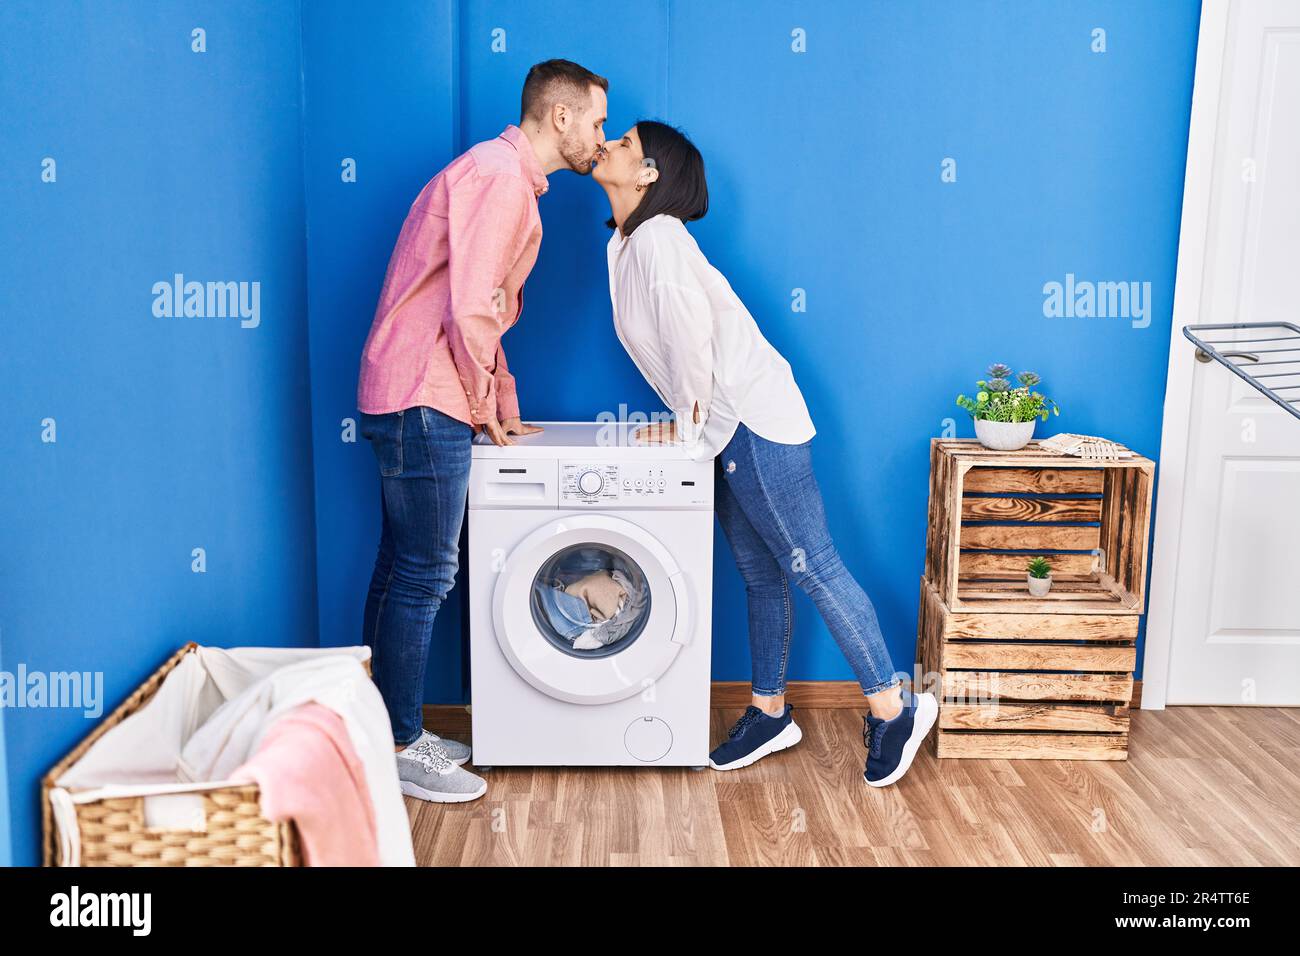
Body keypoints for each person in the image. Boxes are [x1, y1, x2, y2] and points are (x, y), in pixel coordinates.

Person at [592, 120, 937, 787]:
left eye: (626, 142)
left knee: (813, 566)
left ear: (651, 173)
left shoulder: (659, 238)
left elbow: (690, 339)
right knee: (762, 576)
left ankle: (894, 708)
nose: (609, 144)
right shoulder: (628, 243)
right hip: (724, 426)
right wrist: (692, 423)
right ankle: (771, 712)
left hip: (751, 421)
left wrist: (684, 425)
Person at [355, 59, 609, 802]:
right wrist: (479, 401)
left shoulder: (499, 175)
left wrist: (498, 395)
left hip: (403, 390)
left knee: (399, 567)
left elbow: (482, 306)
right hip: (423, 396)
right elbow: (472, 308)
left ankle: (380, 730)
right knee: (425, 574)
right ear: (559, 116)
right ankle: (401, 744)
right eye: (596, 121)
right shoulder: (499, 176)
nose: (601, 137)